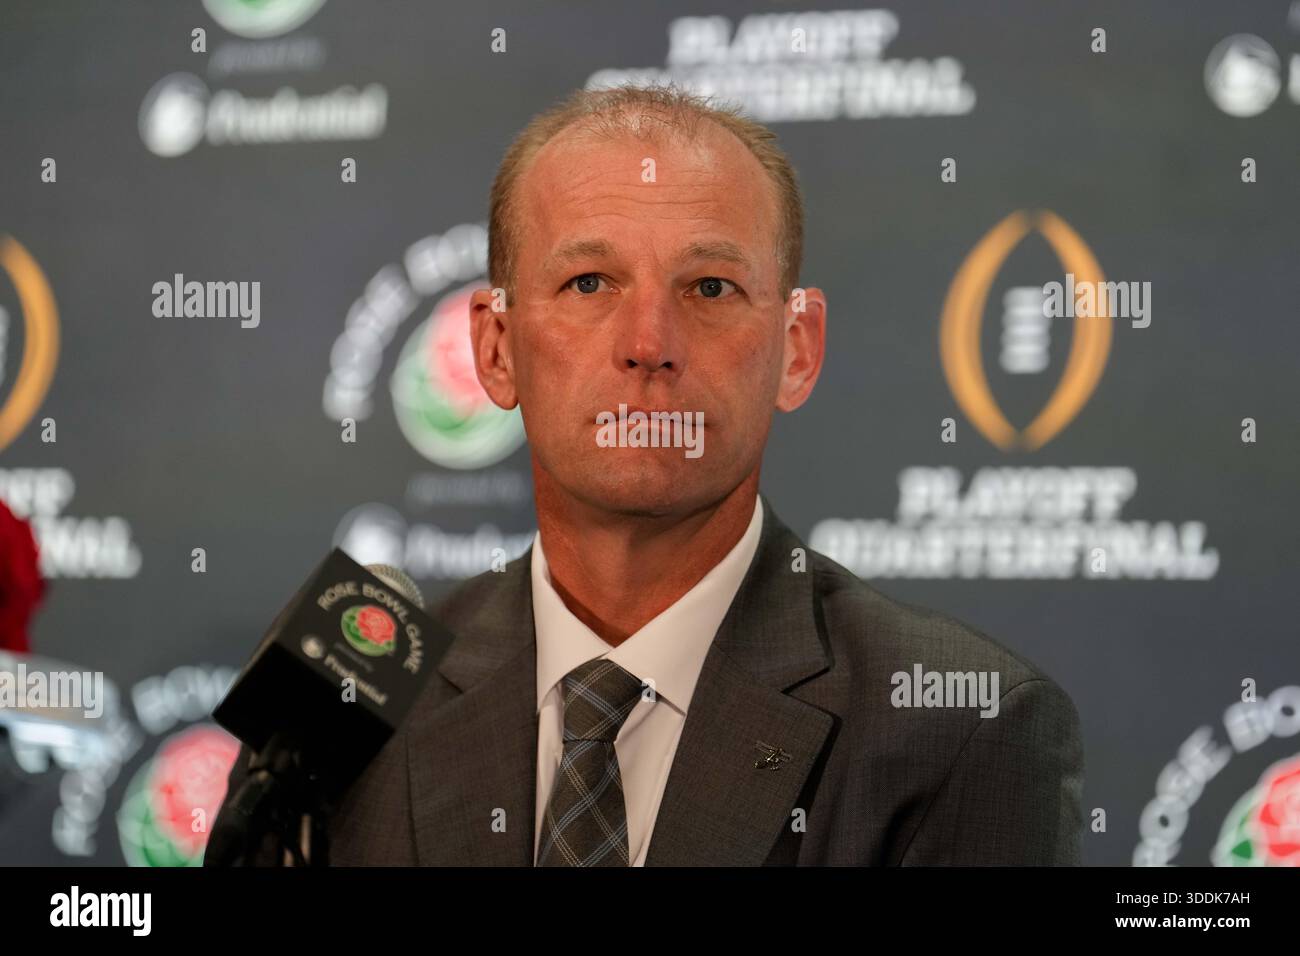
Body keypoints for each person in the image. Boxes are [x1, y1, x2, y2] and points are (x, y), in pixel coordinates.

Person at [210, 84, 1083, 866]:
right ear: (497, 347)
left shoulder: (961, 729)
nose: (648, 345)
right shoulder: (351, 709)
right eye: (589, 282)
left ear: (797, 350)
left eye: (709, 288)